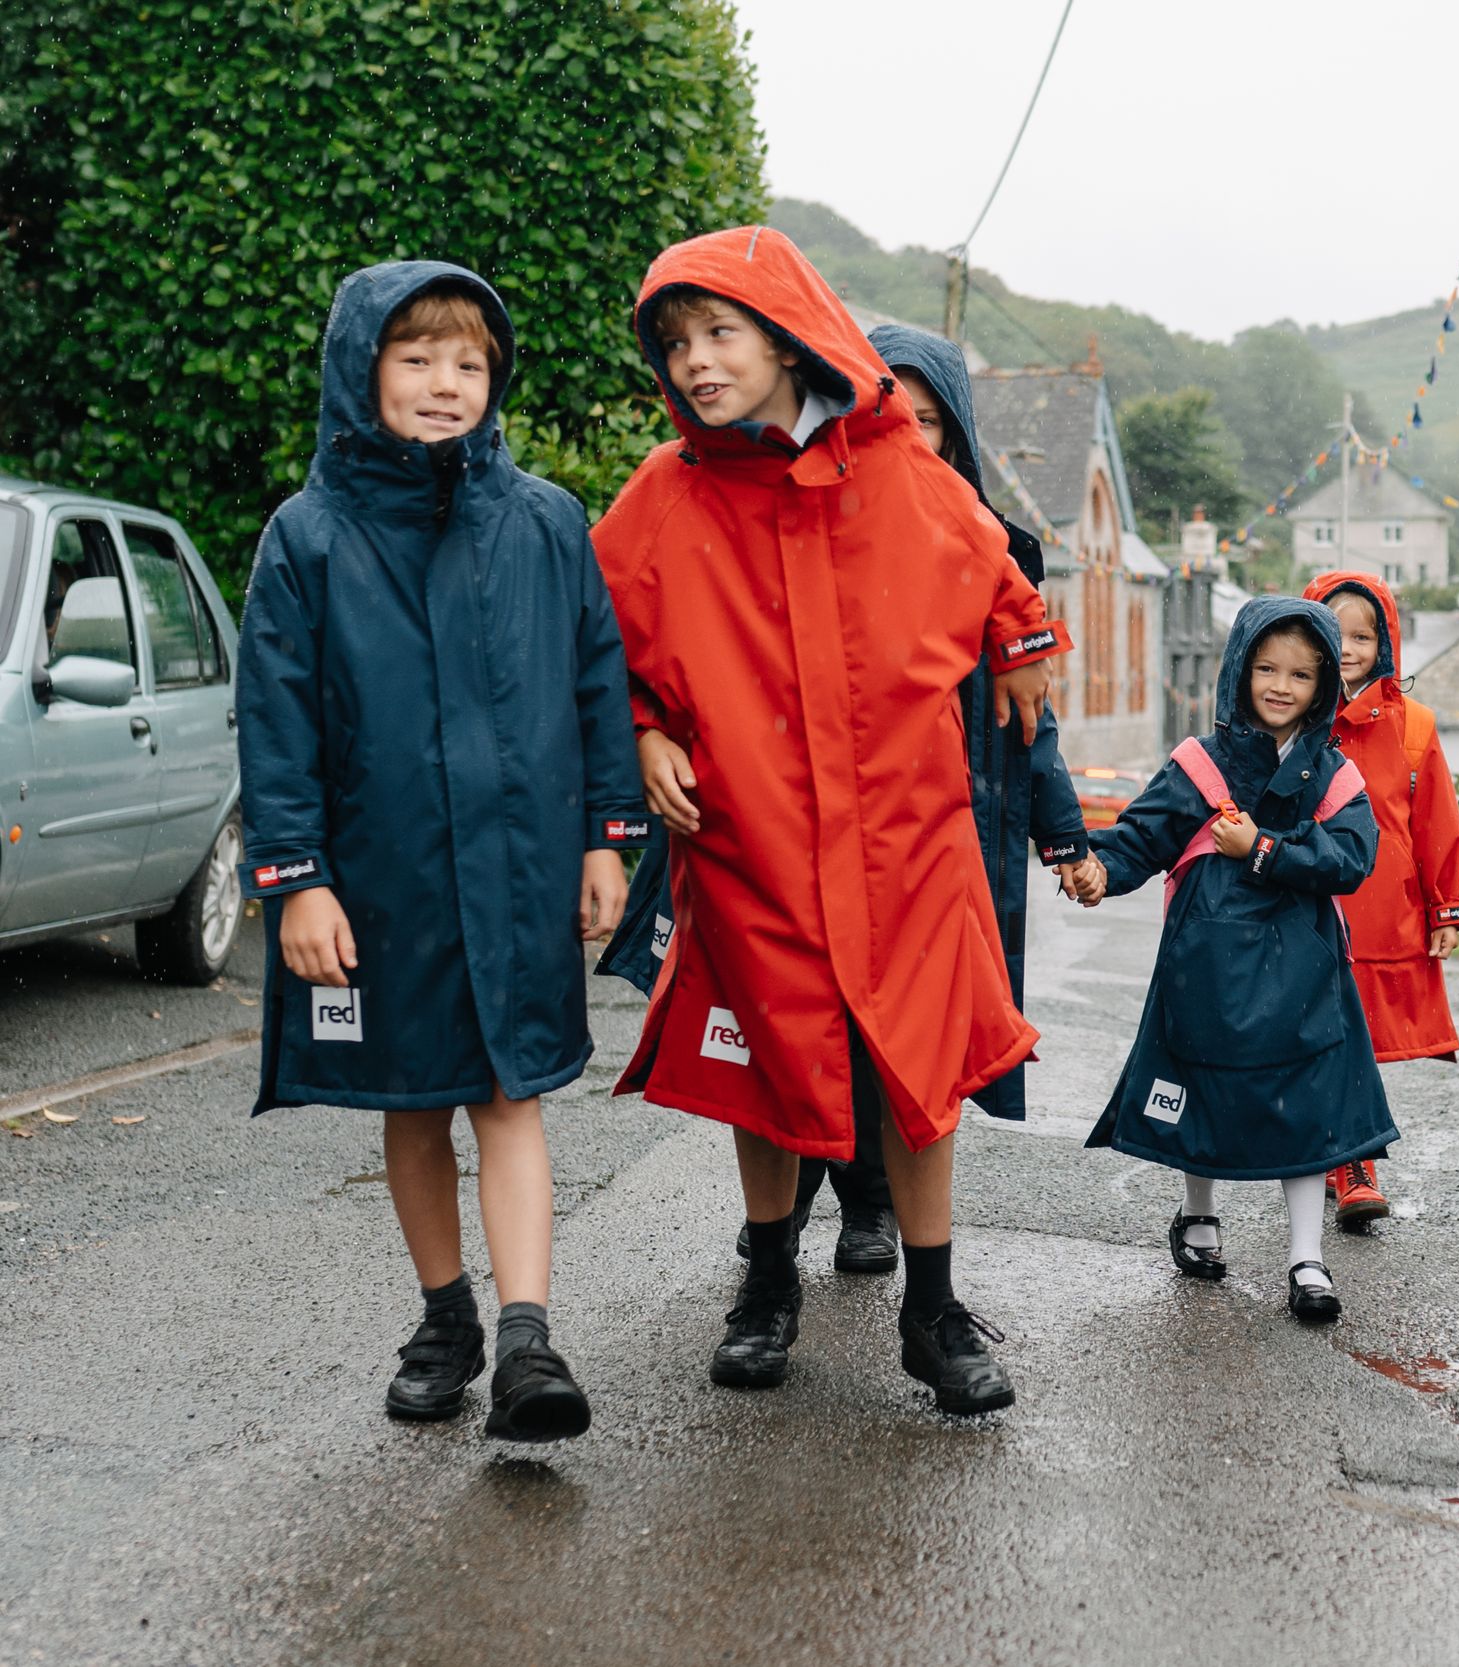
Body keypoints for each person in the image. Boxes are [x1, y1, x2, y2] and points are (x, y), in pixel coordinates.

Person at [592, 227, 1070, 1415]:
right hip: (747, 834)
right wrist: (644, 732)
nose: (696, 363)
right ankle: (766, 1282)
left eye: (721, 333)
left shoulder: (901, 468)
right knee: (761, 1052)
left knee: (920, 1068)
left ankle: (932, 1305)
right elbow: (597, 640)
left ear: (785, 332)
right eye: (675, 343)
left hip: (907, 834)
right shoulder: (666, 493)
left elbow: (998, 568)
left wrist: (1023, 644)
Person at [236, 261, 647, 1441]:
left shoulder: (547, 520)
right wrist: (297, 878)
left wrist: (605, 838)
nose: (444, 382)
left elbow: (594, 681)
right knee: (414, 1106)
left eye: (469, 361)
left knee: (512, 1094)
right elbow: (277, 722)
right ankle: (444, 1317)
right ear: (361, 370)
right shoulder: (307, 537)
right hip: (385, 882)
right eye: (415, 357)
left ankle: (528, 1341)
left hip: (519, 872)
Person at [1066, 598, 1394, 1322]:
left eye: (1302, 674)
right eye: (1267, 668)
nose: (1281, 685)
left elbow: (1352, 858)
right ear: (1239, 669)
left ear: (1323, 687)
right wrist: (1097, 870)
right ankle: (1199, 1214)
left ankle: (1306, 1256)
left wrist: (1266, 849)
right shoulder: (1197, 764)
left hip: (1304, 975)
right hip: (1206, 969)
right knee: (1200, 1095)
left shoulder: (1335, 776)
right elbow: (1139, 837)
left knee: (1308, 1115)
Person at [1300, 571, 1459, 1227]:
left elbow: (1436, 821)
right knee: (1323, 1041)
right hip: (1308, 914)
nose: (1347, 647)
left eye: (1363, 635)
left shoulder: (1413, 727)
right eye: (1334, 632)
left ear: (1386, 644)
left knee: (1357, 1043)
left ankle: (1349, 1159)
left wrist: (1446, 907)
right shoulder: (1287, 717)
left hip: (1382, 920)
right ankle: (1345, 1157)